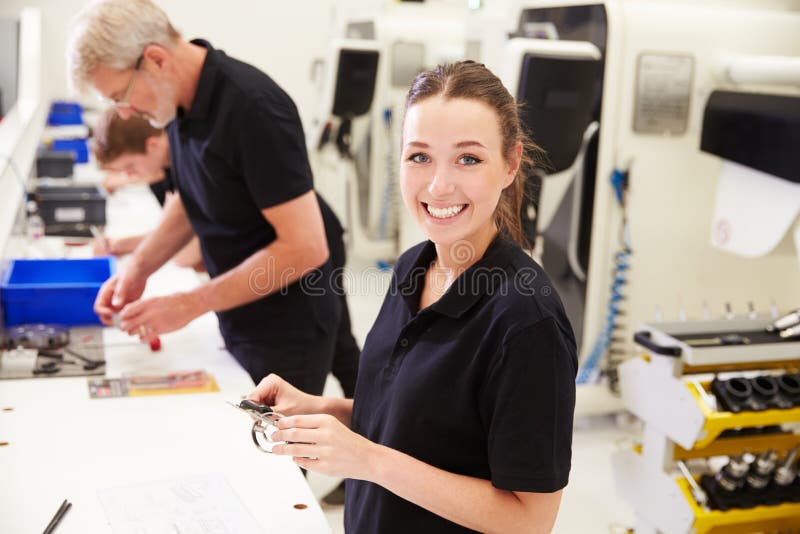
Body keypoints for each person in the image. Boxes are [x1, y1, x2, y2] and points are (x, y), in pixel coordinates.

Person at [249, 61, 578, 533]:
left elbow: (529, 521)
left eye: (468, 158)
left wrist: (369, 461)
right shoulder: (413, 266)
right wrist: (321, 408)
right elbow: (412, 418)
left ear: (510, 164)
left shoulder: (526, 322)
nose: (439, 185)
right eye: (419, 156)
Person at [67, 0, 359, 398]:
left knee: (272, 456)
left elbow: (305, 247)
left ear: (155, 60)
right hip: (238, 313)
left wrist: (189, 303)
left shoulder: (253, 109)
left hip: (286, 325)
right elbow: (193, 195)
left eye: (121, 95)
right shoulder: (175, 106)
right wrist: (139, 268)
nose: (125, 111)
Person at [91, 109, 203, 270]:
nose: (129, 176)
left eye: (130, 167)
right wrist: (123, 245)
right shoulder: (173, 162)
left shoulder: (190, 168)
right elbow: (175, 236)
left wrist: (139, 251)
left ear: (153, 145)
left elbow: (185, 254)